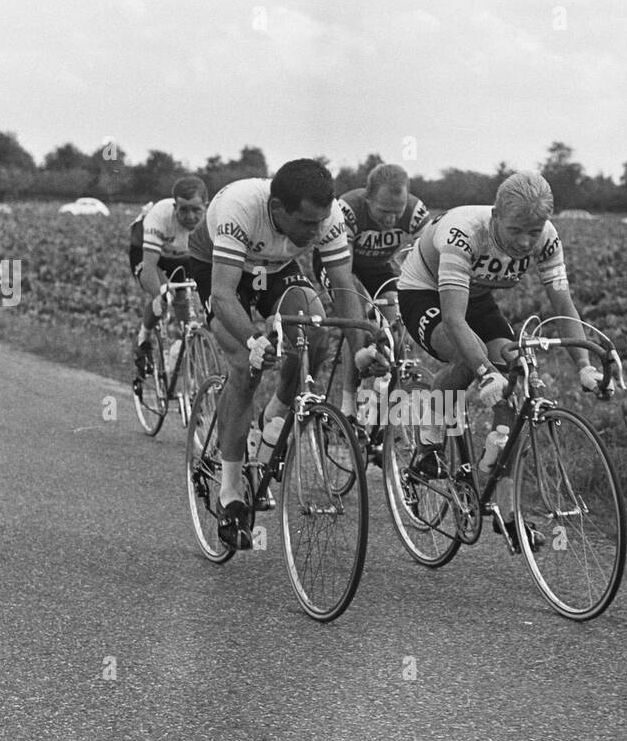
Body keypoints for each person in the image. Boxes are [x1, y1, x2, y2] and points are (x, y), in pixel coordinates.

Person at [397, 169, 607, 551]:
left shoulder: (547, 238)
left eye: (534, 231)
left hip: (476, 297)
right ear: (495, 216)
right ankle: (429, 440)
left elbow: (563, 305)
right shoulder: (464, 233)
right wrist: (483, 371)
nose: (526, 242)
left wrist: (585, 365)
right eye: (516, 231)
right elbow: (454, 320)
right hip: (425, 293)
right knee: (470, 356)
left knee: (514, 373)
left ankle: (504, 507)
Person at [185, 159, 385, 549]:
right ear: (277, 209)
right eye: (307, 224)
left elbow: (343, 287)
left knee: (315, 330)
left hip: (275, 267)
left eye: (320, 223)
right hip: (219, 267)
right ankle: (231, 493)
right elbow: (223, 295)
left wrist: (361, 351)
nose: (315, 232)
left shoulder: (326, 218)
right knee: (245, 366)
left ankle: (273, 417)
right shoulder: (240, 208)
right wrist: (253, 341)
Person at [315, 163, 430, 422]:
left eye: (397, 212)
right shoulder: (348, 209)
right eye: (384, 211)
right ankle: (348, 403)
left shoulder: (416, 211)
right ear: (368, 199)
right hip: (339, 263)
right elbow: (343, 275)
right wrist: (365, 307)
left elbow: (429, 258)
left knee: (395, 319)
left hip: (377, 266)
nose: (391, 219)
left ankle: (387, 397)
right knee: (357, 318)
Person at [128, 176, 209, 392]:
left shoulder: (212, 222)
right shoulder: (160, 216)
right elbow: (148, 270)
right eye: (183, 210)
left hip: (181, 255)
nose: (190, 216)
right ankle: (144, 337)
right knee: (166, 295)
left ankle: (183, 348)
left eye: (196, 210)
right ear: (175, 207)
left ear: (206, 206)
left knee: (186, 300)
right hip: (148, 253)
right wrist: (161, 296)